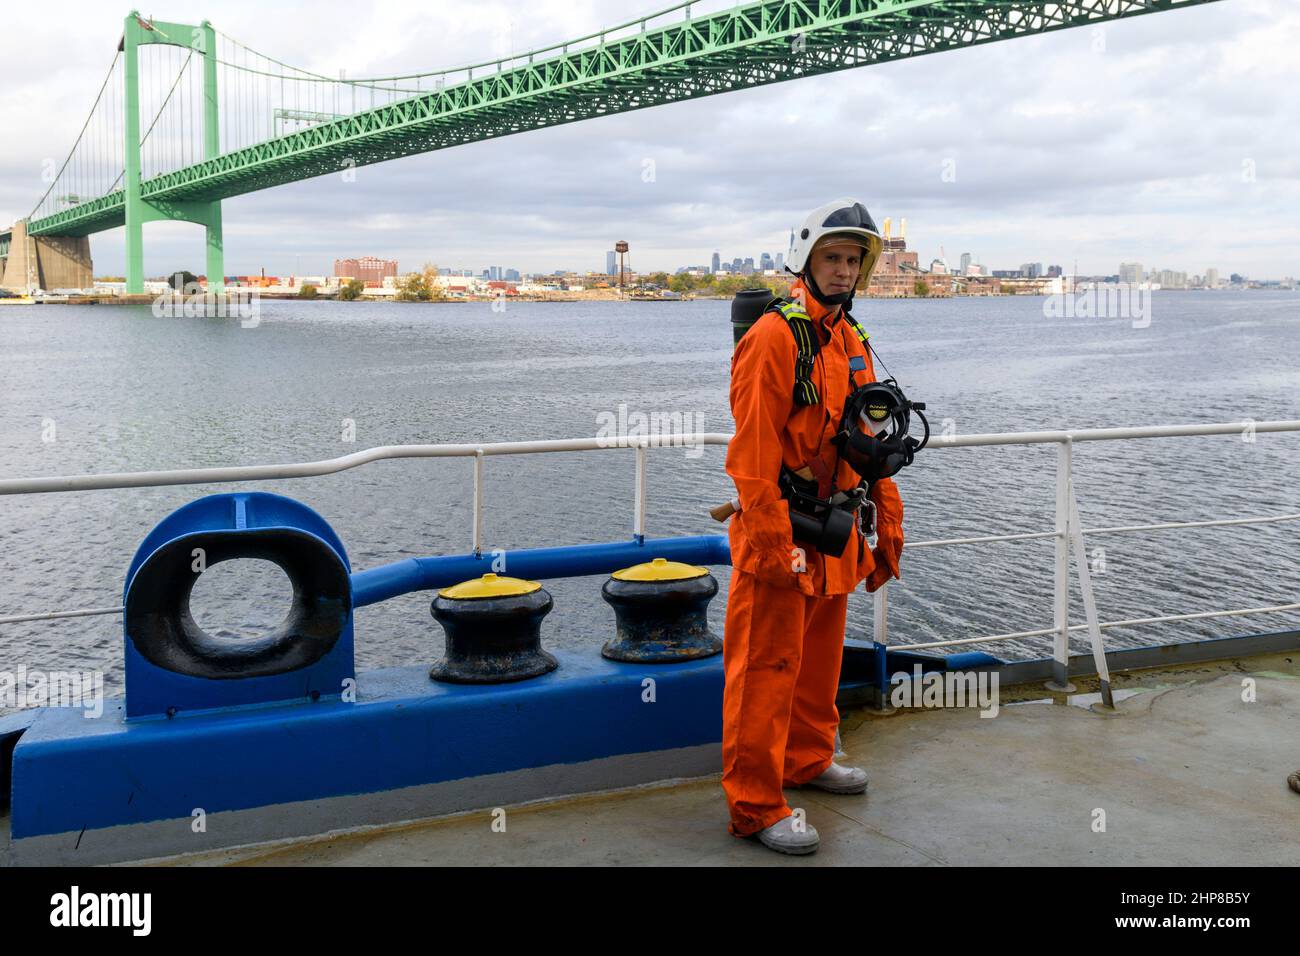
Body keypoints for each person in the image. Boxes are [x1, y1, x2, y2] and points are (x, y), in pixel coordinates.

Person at [722, 198, 905, 855]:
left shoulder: (851, 340)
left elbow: (870, 437)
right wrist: (772, 547)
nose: (843, 270)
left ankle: (806, 760)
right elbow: (751, 459)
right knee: (764, 673)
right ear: (807, 261)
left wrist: (888, 520)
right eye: (832, 257)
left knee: (818, 669)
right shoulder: (775, 337)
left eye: (853, 260)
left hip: (833, 536)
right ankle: (754, 805)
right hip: (784, 532)